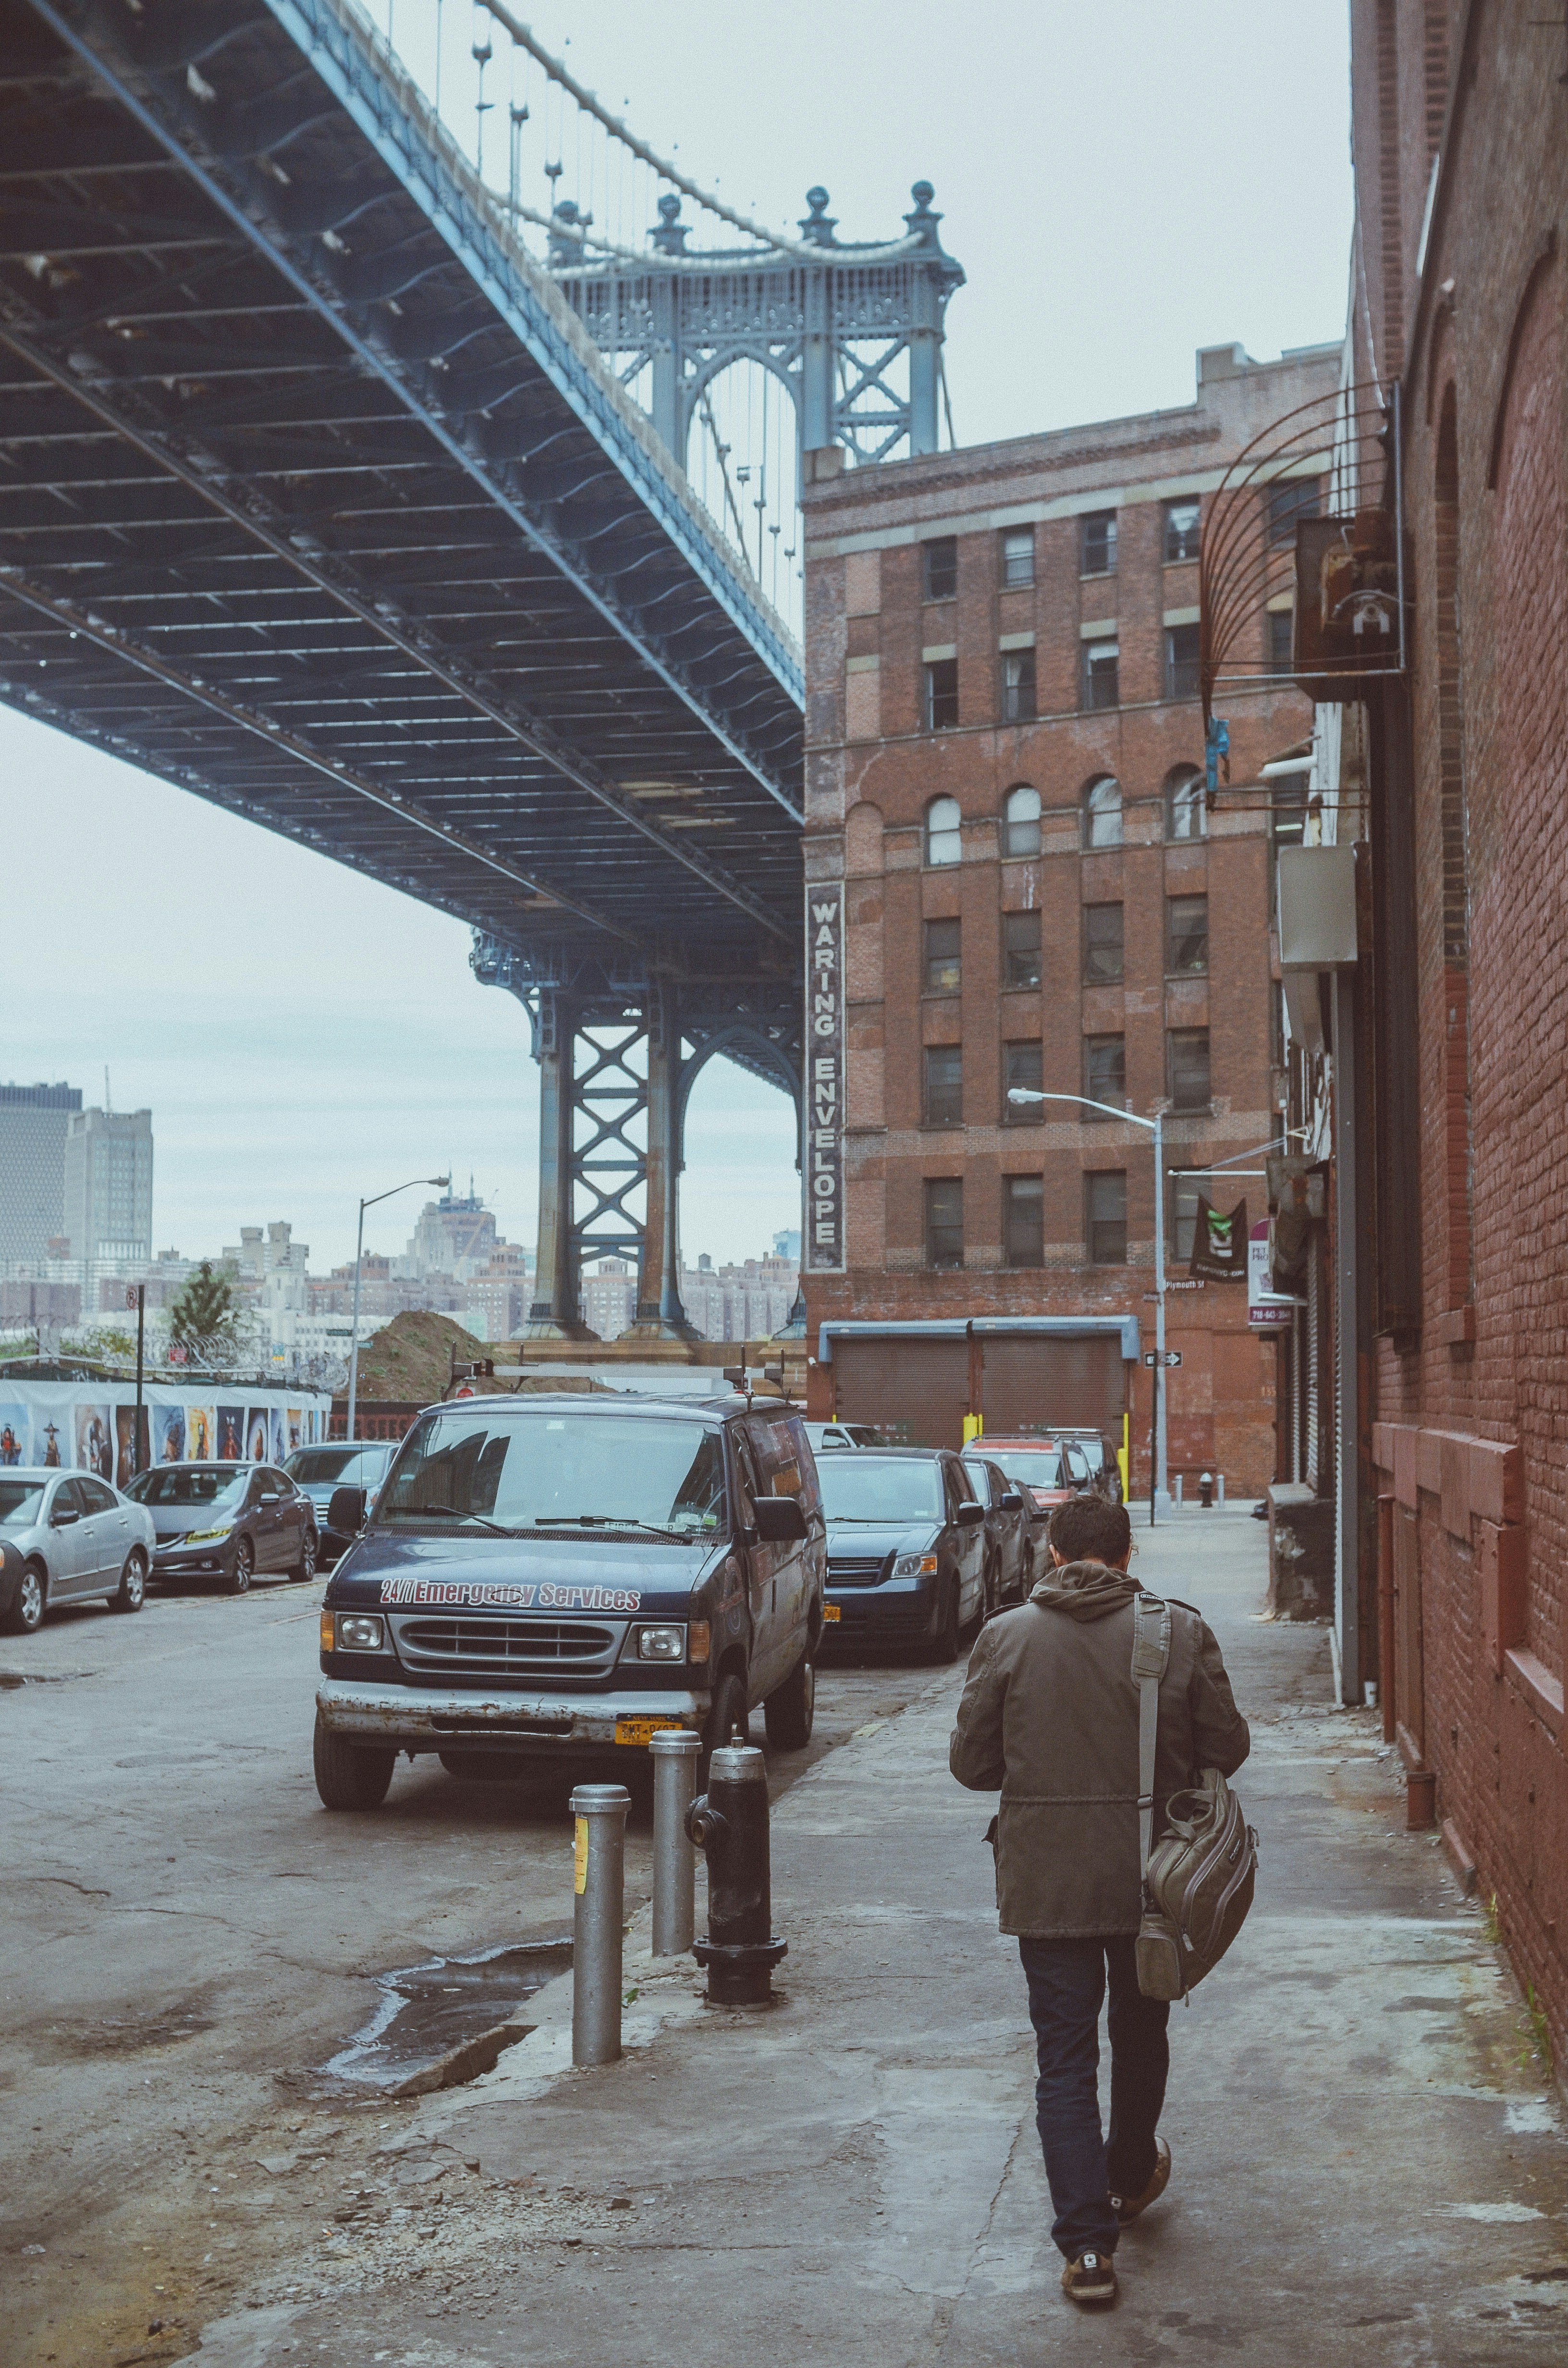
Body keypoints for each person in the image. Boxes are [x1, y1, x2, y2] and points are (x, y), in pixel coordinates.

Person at [950, 1491, 1249, 2310]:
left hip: (1046, 1880)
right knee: (1142, 2026)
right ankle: (1126, 2178)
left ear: (1052, 1553)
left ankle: (1086, 2249)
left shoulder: (1006, 1637)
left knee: (1064, 2054)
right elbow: (1228, 1747)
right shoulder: (1178, 1631)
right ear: (1126, 1557)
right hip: (1154, 1877)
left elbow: (974, 1768)